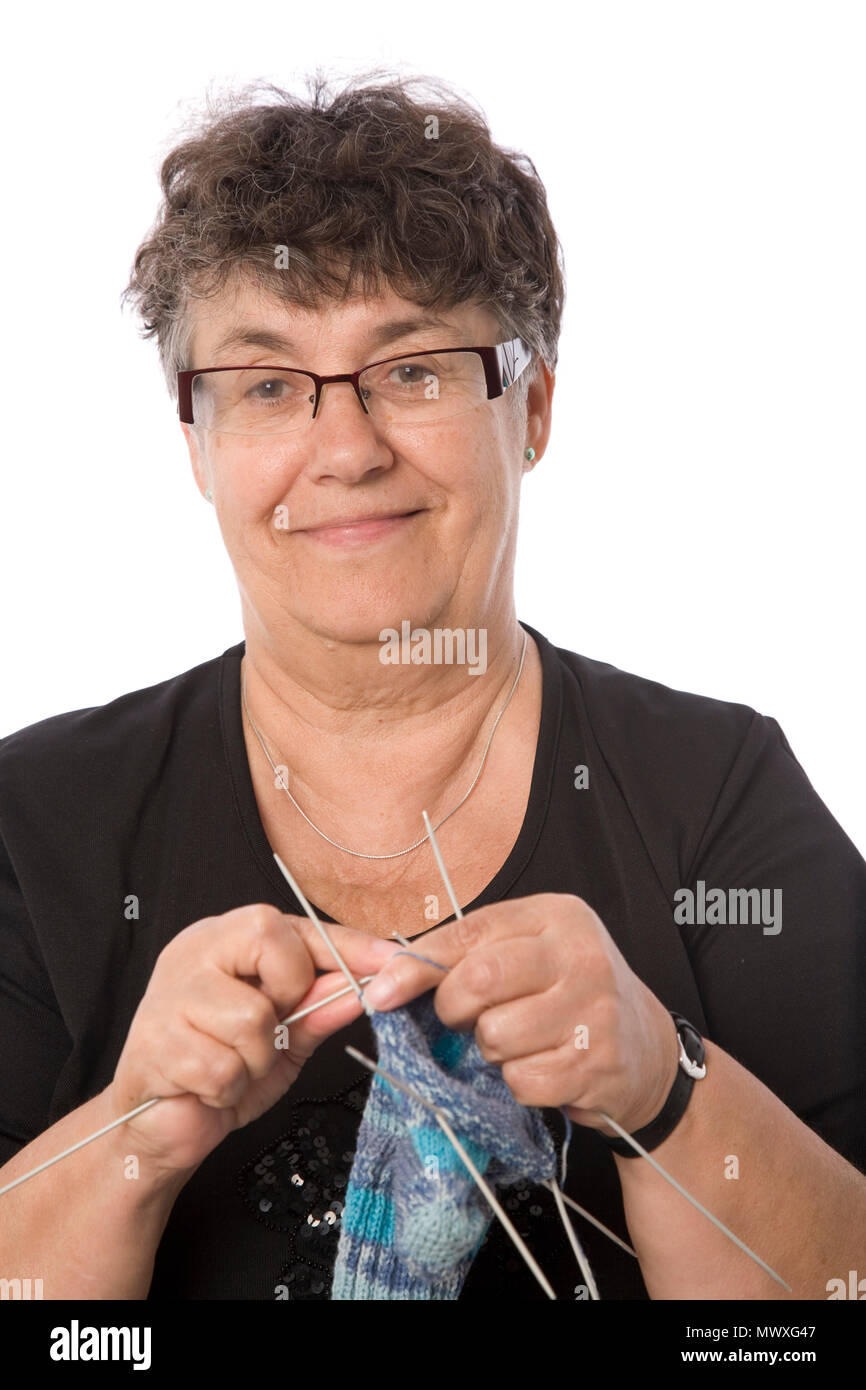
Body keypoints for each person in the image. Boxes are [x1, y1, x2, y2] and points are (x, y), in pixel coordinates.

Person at [0, 72, 864, 1302]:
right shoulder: (40, 826)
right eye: (266, 383)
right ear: (194, 442)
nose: (345, 449)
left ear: (534, 407)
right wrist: (129, 1133)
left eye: (412, 371)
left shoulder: (714, 800)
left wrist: (667, 1091)